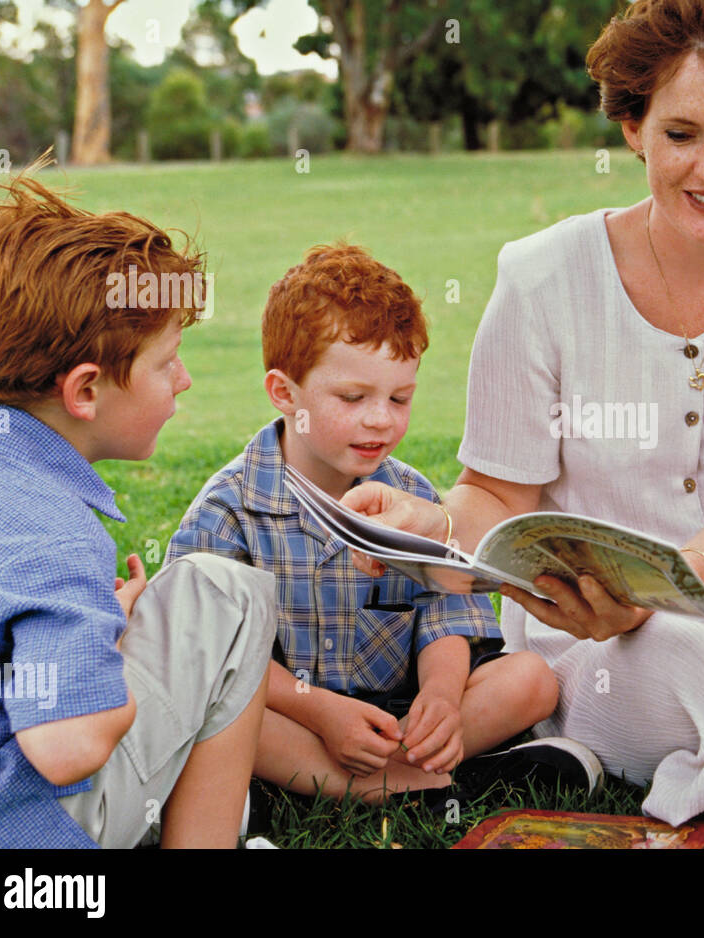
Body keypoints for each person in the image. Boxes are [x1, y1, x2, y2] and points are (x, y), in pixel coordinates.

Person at [343, 0, 704, 824]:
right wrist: (421, 518)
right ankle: (587, 730)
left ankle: (572, 752)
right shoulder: (540, 277)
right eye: (680, 135)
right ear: (633, 129)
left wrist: (663, 586)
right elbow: (496, 497)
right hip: (595, 634)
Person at [166, 243, 578, 804]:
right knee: (205, 707)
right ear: (285, 393)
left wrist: (441, 697)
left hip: (398, 720)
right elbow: (209, 652)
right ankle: (403, 784)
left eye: (400, 398)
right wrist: (323, 710)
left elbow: (446, 611)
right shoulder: (230, 508)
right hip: (299, 718)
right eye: (354, 397)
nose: (381, 419)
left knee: (531, 680)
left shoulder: (411, 495)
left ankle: (395, 773)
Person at [0, 168, 275, 848]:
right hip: (20, 836)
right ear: (86, 392)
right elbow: (66, 745)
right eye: (167, 362)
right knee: (228, 590)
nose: (183, 379)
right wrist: (103, 646)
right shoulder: (57, 538)